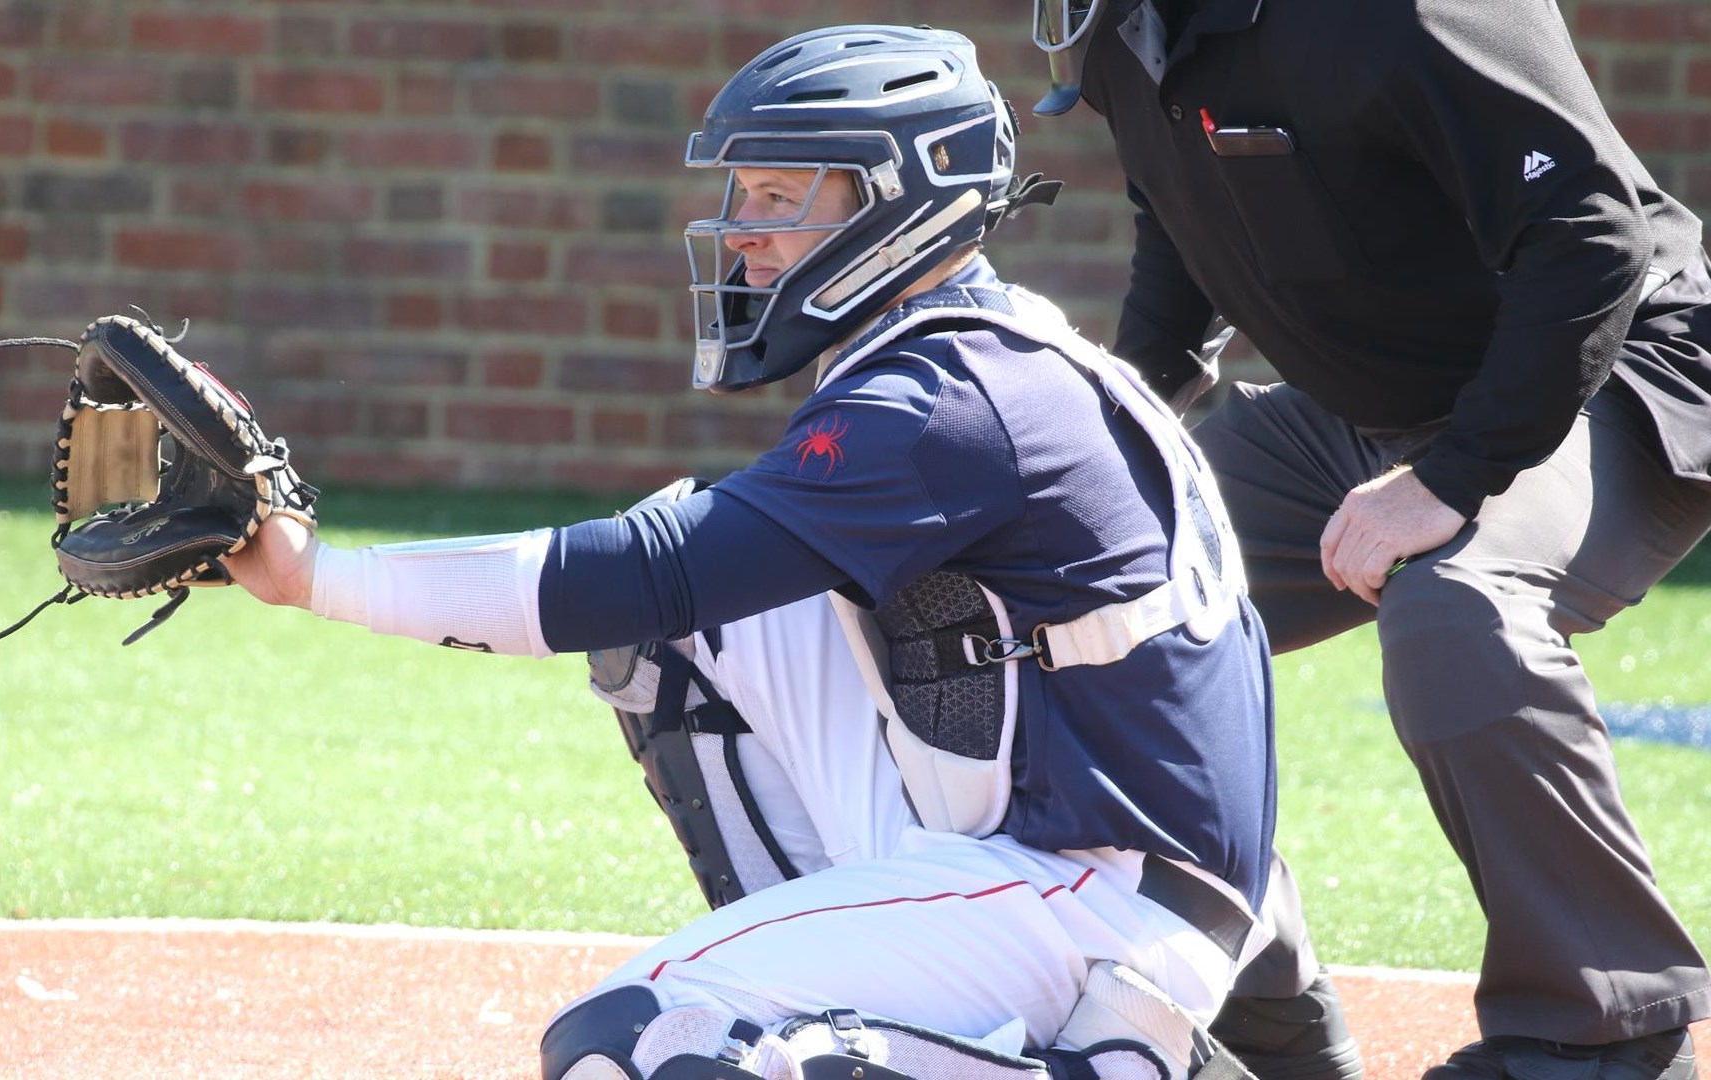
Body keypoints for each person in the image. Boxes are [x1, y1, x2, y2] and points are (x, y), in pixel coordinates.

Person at [227, 23, 1287, 1080]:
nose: (742, 232)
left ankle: (1106, 1065)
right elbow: (678, 591)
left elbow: (645, 567)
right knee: (680, 636)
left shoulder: (951, 396)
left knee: (643, 1041)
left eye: (781, 198)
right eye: (746, 197)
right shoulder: (961, 352)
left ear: (900, 200)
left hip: (1098, 893)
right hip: (1069, 855)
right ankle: (864, 998)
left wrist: (314, 575)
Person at [1026, 1, 1711, 1078]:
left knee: (1458, 607)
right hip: (1361, 410)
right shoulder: (1128, 29)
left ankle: (1608, 1037)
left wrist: (1450, 478)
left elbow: (1592, 232)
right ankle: (1254, 999)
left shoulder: (1403, 9)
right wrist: (1113, 448)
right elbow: (1181, 223)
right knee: (1057, 587)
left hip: (1621, 367)